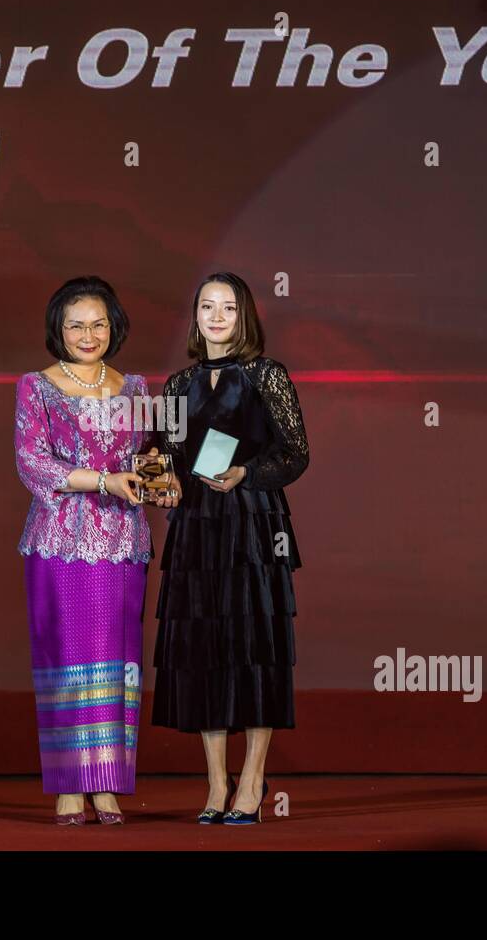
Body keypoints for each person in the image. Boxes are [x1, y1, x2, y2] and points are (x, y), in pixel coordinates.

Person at [148, 271, 309, 824]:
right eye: (207, 307)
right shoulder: (175, 385)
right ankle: (217, 783)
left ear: (245, 317)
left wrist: (245, 471)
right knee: (204, 651)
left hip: (254, 526)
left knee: (256, 645)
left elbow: (295, 454)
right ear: (195, 316)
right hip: (196, 526)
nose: (217, 317)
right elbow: (162, 457)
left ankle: (255, 778)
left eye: (229, 308)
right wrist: (160, 480)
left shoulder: (268, 375)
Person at [14, 275, 152, 825]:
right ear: (58, 330)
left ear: (113, 326)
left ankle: (108, 784)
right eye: (76, 325)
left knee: (120, 664)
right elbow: (32, 463)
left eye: (98, 323)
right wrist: (102, 480)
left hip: (124, 543)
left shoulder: (137, 388)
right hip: (60, 541)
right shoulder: (36, 386)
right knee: (66, 659)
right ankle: (70, 785)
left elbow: (149, 458)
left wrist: (152, 478)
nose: (88, 334)